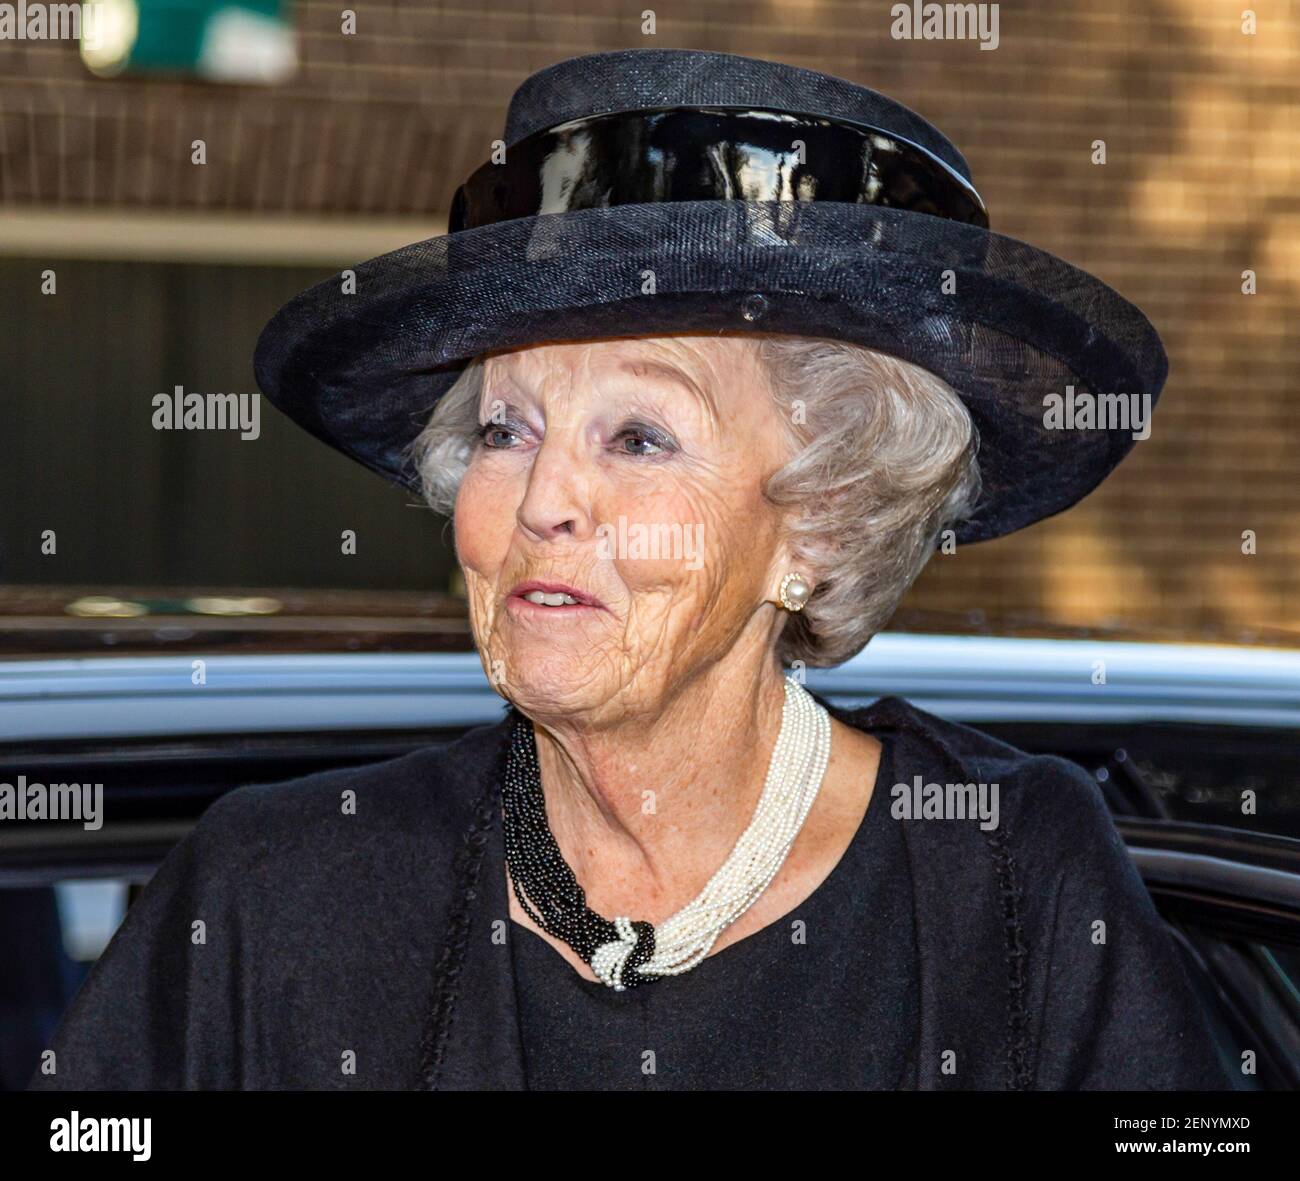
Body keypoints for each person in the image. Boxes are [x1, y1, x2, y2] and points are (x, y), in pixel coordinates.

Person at [31, 48, 1232, 1091]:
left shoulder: (1004, 879)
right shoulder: (278, 891)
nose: (542, 500)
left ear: (819, 521)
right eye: (505, 431)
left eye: (639, 436)